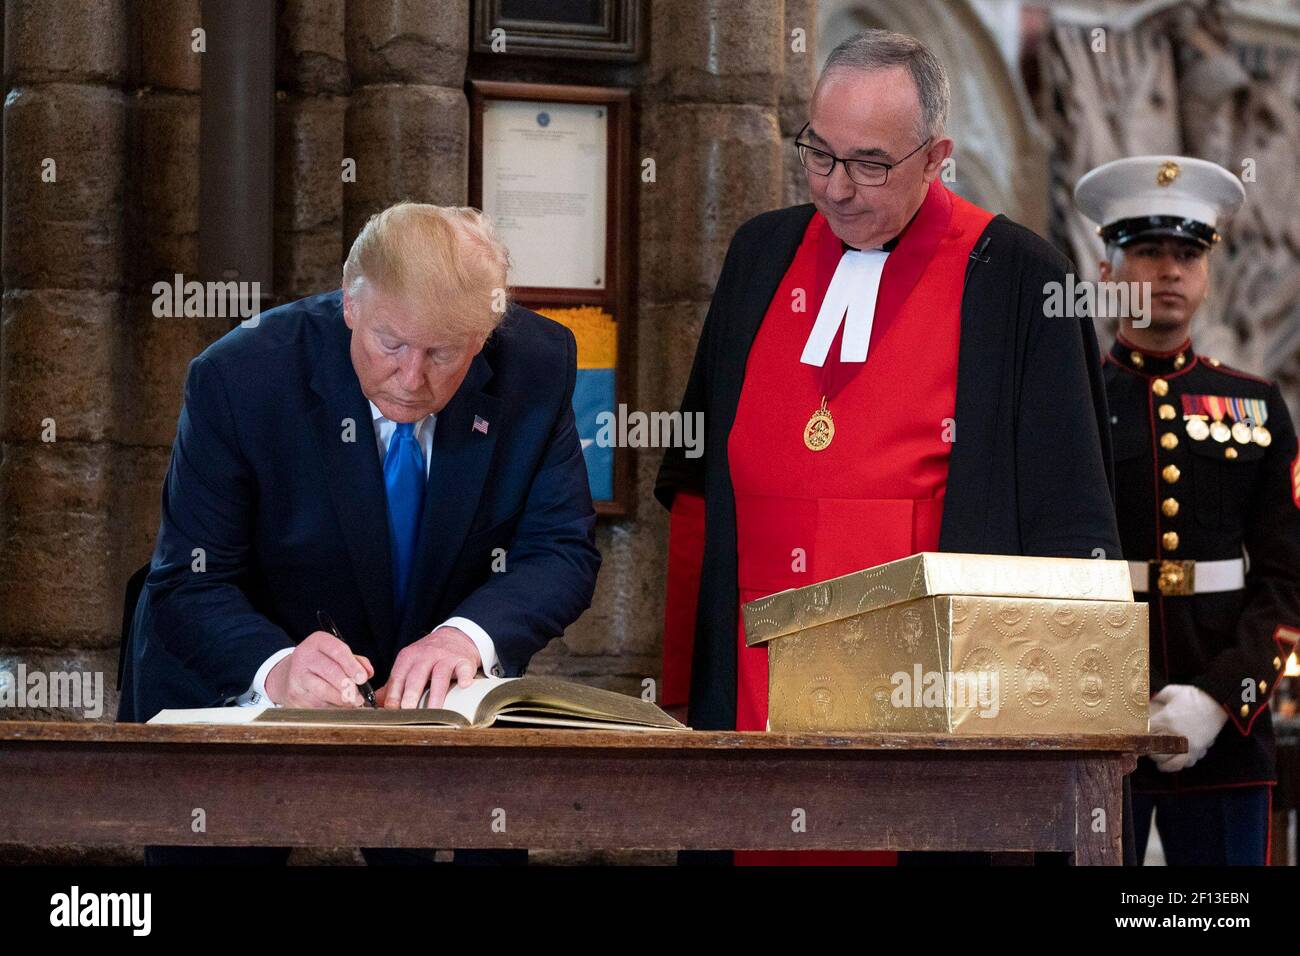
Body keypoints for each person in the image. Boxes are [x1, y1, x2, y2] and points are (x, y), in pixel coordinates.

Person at [657, 29, 1122, 866]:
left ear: (937, 154)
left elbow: (1068, 530)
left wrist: (1056, 767)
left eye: (870, 164)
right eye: (819, 155)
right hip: (752, 693)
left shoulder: (1022, 277)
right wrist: (683, 707)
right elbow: (696, 493)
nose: (837, 188)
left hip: (927, 716)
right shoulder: (760, 253)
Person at [119, 202, 601, 864]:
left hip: (429, 701)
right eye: (390, 343)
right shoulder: (242, 376)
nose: (411, 379)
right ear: (350, 303)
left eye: (443, 353)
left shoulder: (536, 366)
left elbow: (559, 552)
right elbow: (188, 582)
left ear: (484, 335)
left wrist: (466, 636)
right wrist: (280, 667)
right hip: (233, 676)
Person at [1076, 155, 1300, 865]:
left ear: (1206, 274)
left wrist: (1221, 698)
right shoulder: (1069, 402)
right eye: (1147, 252)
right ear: (1107, 270)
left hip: (1227, 734)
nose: (1169, 272)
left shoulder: (1258, 407)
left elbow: (1288, 578)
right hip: (1092, 728)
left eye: (1186, 254)